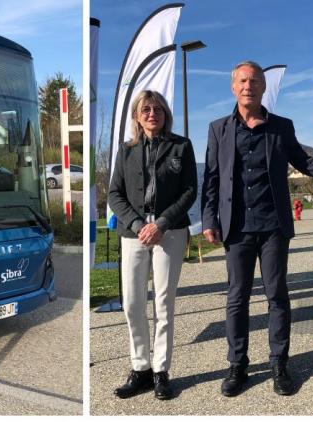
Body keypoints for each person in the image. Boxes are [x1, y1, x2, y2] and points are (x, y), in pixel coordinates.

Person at [201, 61, 313, 397]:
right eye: (243, 81)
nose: (249, 86)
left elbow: (304, 161)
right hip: (236, 228)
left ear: (263, 87)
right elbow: (211, 177)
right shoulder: (218, 128)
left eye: (255, 81)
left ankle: (279, 365)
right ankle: (237, 365)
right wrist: (209, 219)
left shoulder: (281, 127)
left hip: (273, 226)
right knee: (236, 298)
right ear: (234, 87)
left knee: (277, 296)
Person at [108, 89, 197, 400]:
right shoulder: (126, 150)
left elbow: (189, 191)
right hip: (133, 233)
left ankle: (160, 371)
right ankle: (140, 369)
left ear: (165, 115)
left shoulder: (181, 146)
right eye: (146, 109)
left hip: (169, 232)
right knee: (133, 303)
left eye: (158, 109)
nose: (152, 114)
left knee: (163, 303)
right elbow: (114, 194)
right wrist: (138, 225)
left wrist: (161, 224)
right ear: (137, 115)